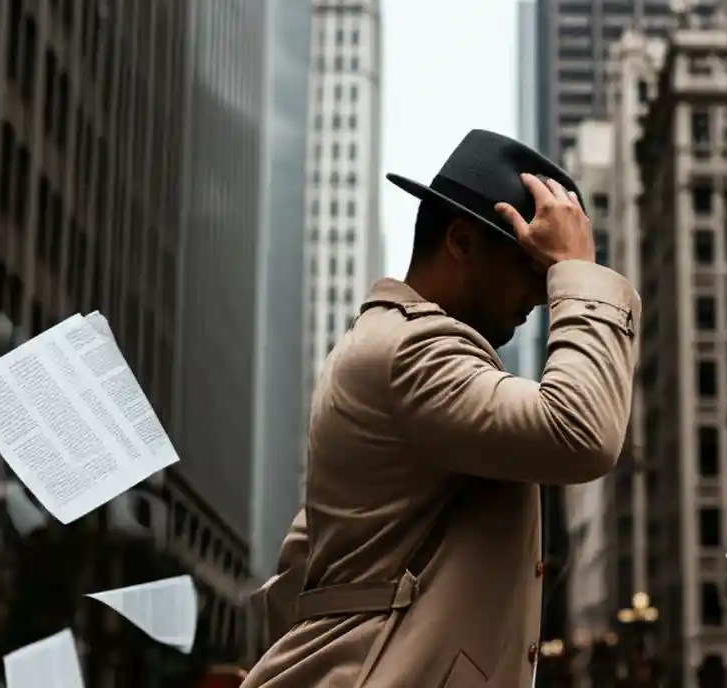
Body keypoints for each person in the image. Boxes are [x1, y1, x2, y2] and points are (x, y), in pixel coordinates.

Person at [242, 129, 640, 687]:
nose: (541, 295)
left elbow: (301, 562)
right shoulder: (410, 351)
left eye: (549, 273)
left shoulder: (384, 345)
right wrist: (580, 271)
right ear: (462, 241)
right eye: (533, 267)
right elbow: (582, 433)